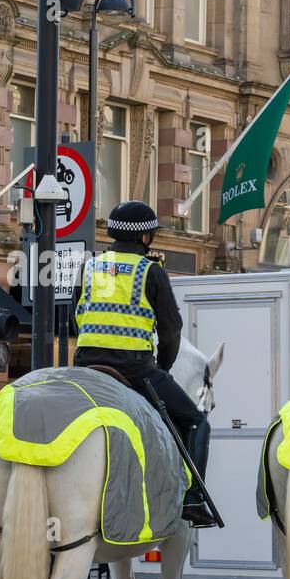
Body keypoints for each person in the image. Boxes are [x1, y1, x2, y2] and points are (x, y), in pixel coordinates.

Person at [72, 200, 214, 527]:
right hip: (134, 369)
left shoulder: (88, 267)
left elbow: (74, 318)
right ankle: (192, 498)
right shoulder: (150, 271)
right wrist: (162, 366)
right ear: (146, 239)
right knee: (195, 421)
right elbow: (172, 331)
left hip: (84, 366)